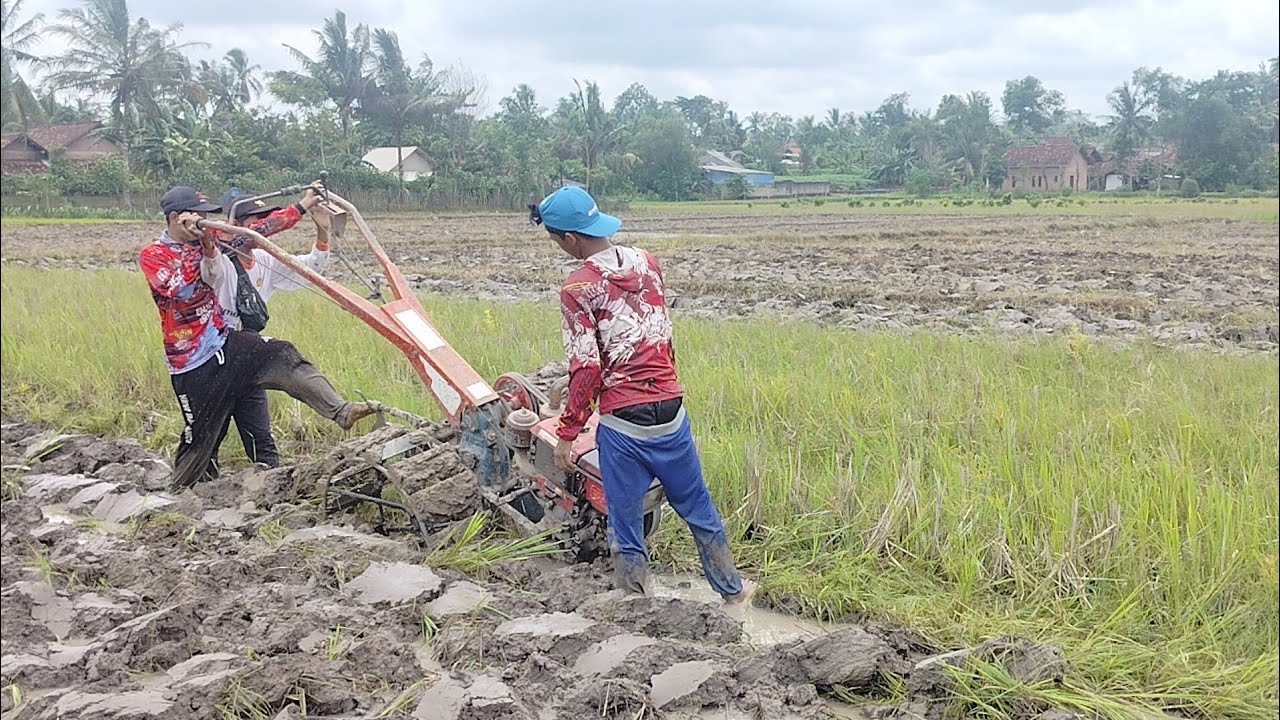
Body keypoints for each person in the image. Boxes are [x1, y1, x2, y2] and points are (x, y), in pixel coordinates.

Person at [529, 186, 755, 605]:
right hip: (671, 408)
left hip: (624, 422)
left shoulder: (578, 288)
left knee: (625, 518)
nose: (560, 248)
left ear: (571, 239)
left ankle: (635, 601)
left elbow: (588, 368)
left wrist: (567, 432)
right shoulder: (647, 263)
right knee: (697, 505)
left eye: (556, 240)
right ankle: (733, 590)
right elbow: (658, 333)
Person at [139, 185, 376, 488]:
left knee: (279, 354)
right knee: (202, 439)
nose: (203, 221)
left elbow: (259, 233)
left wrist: (302, 207)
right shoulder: (153, 255)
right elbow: (178, 287)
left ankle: (339, 411)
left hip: (226, 342)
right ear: (175, 218)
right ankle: (184, 493)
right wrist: (202, 246)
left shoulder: (215, 243)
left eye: (206, 216)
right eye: (197, 216)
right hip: (192, 363)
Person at [207, 187, 331, 468]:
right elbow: (248, 237)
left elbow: (311, 269)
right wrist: (300, 206)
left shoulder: (265, 259)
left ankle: (271, 484)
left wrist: (323, 233)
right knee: (209, 436)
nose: (261, 226)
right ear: (233, 226)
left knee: (261, 438)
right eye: (254, 221)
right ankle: (197, 488)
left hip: (248, 356)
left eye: (266, 217)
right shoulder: (216, 259)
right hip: (214, 358)